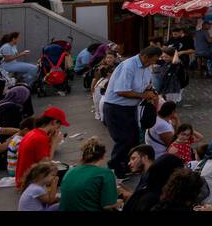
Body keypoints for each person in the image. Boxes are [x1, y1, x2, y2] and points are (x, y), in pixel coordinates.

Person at [101, 46, 162, 177]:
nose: (153, 63)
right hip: (115, 108)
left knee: (134, 138)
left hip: (130, 108)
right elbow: (121, 91)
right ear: (145, 57)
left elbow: (146, 84)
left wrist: (150, 91)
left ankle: (129, 165)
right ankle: (116, 167)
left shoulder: (146, 68)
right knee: (124, 139)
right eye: (153, 60)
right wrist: (143, 95)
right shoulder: (129, 66)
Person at [60, 137, 122, 211]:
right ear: (102, 156)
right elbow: (107, 205)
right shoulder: (105, 173)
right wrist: (120, 201)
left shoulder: (71, 171)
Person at [14, 108, 68, 189]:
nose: (58, 129)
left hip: (22, 179)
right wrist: (54, 143)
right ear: (54, 122)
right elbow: (46, 164)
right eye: (58, 126)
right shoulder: (41, 138)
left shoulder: (33, 132)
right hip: (28, 184)